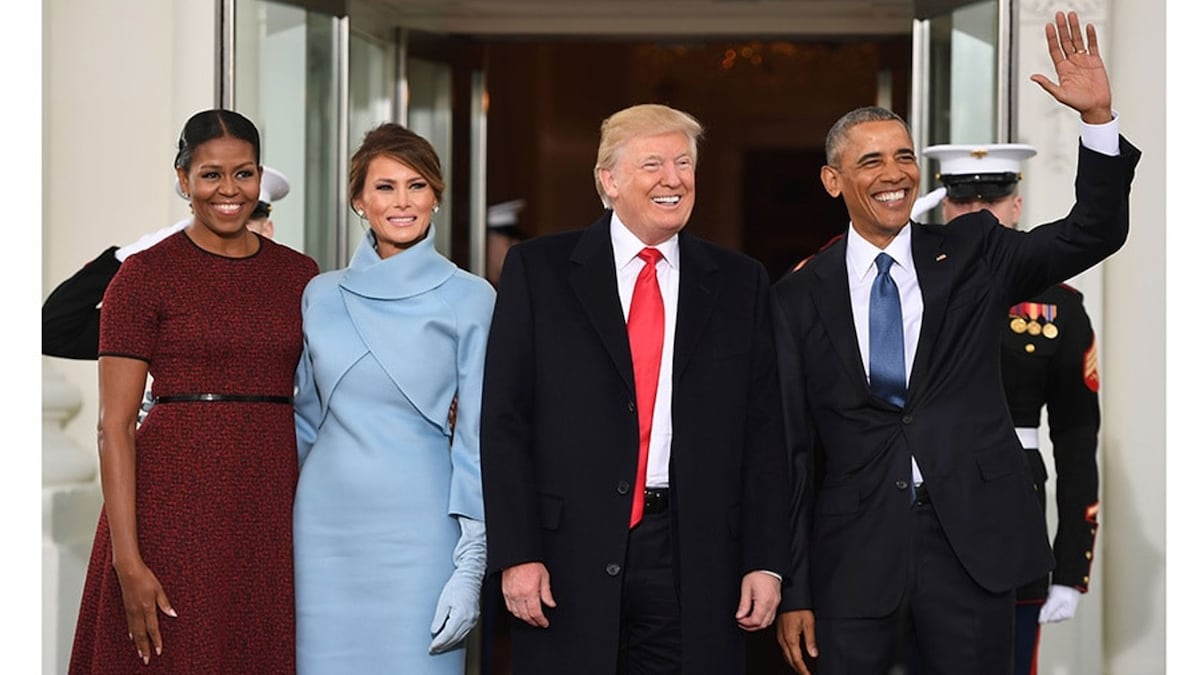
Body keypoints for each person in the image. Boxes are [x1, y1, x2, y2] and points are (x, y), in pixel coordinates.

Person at [770, 12, 1138, 675]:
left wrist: (1098, 122)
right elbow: (792, 452)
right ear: (833, 180)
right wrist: (793, 588)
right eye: (871, 160)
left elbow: (1090, 232)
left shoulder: (973, 251)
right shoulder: (796, 295)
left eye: (905, 155)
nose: (894, 173)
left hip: (971, 546)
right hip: (852, 558)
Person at [480, 102, 789, 674]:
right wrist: (517, 553)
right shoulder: (538, 271)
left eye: (683, 163)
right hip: (565, 554)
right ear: (609, 179)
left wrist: (766, 562)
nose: (673, 179)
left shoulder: (740, 282)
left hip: (696, 555)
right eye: (652, 164)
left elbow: (766, 433)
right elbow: (504, 423)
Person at [69, 109, 319, 673]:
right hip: (169, 505)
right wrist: (128, 563)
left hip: (268, 504)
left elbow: (338, 380)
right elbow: (114, 425)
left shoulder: (300, 276)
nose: (229, 191)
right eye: (211, 175)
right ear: (183, 180)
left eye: (244, 173)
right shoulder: (142, 276)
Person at [292, 122, 494, 674]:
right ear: (359, 200)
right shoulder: (320, 293)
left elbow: (477, 440)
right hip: (322, 531)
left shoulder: (471, 297)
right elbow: (303, 424)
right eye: (385, 187)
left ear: (436, 195)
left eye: (417, 185)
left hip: (422, 530)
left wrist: (471, 563)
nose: (402, 202)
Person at [921, 141, 1100, 675]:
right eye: (962, 202)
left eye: (993, 202)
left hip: (1012, 506)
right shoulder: (906, 285)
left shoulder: (1058, 304)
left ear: (1016, 206)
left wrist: (1071, 566)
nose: (978, 215)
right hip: (919, 503)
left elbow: (1075, 436)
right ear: (943, 205)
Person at [42, 166, 291, 360]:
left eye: (244, 224)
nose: (230, 237)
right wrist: (130, 255)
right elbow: (52, 331)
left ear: (267, 230)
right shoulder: (170, 308)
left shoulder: (294, 291)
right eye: (214, 228)